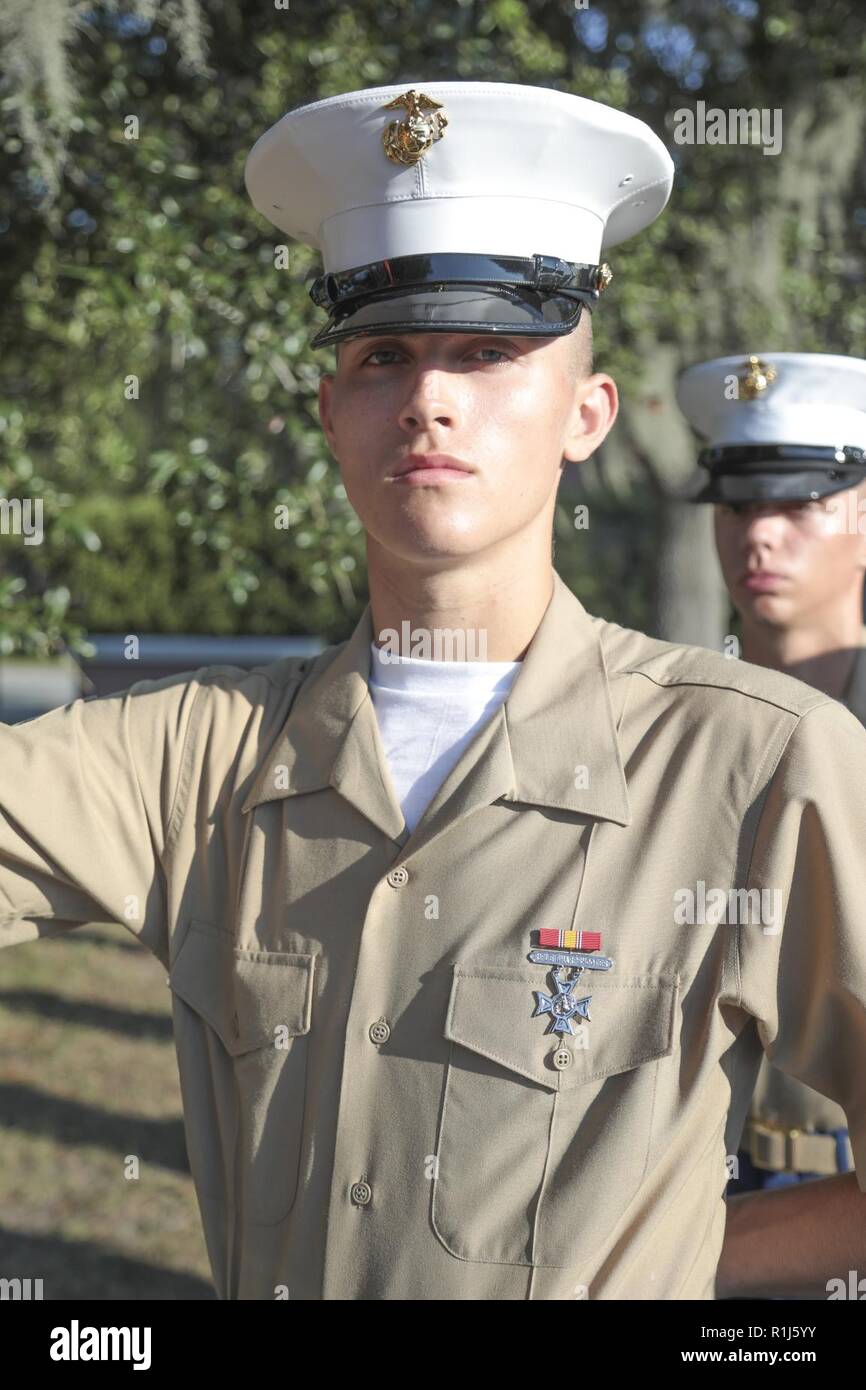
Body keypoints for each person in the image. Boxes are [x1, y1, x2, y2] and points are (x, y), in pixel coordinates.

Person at [2, 81, 866, 1301]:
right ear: (330, 409)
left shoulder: (751, 761)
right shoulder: (196, 757)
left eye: (486, 350)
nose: (428, 397)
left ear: (585, 414)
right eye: (383, 354)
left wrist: (666, 1264)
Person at [678, 350, 866, 1198]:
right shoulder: (671, 725)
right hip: (685, 1186)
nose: (759, 532)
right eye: (741, 503)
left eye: (798, 505)